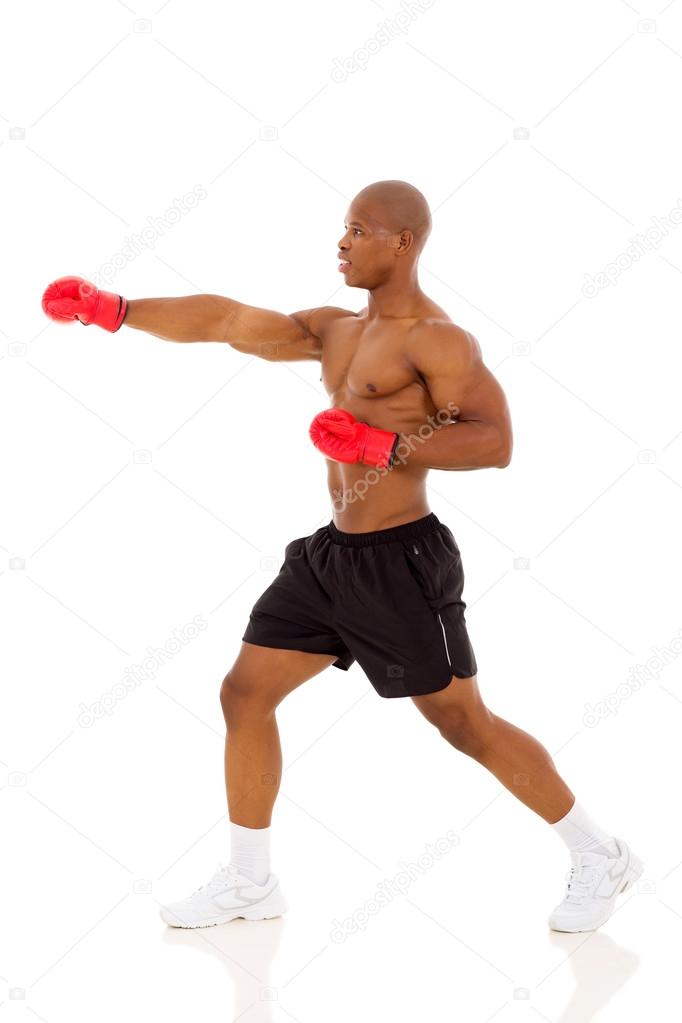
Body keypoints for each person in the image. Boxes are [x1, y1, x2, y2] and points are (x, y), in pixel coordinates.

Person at [41, 179, 642, 933]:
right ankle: (251, 880)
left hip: (403, 561)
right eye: (344, 227)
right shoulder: (335, 331)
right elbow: (227, 319)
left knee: (462, 722)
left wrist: (381, 445)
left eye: (359, 229)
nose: (343, 241)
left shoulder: (438, 338)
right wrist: (116, 311)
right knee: (244, 692)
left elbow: (496, 442)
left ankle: (600, 852)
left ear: (404, 243)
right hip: (330, 559)